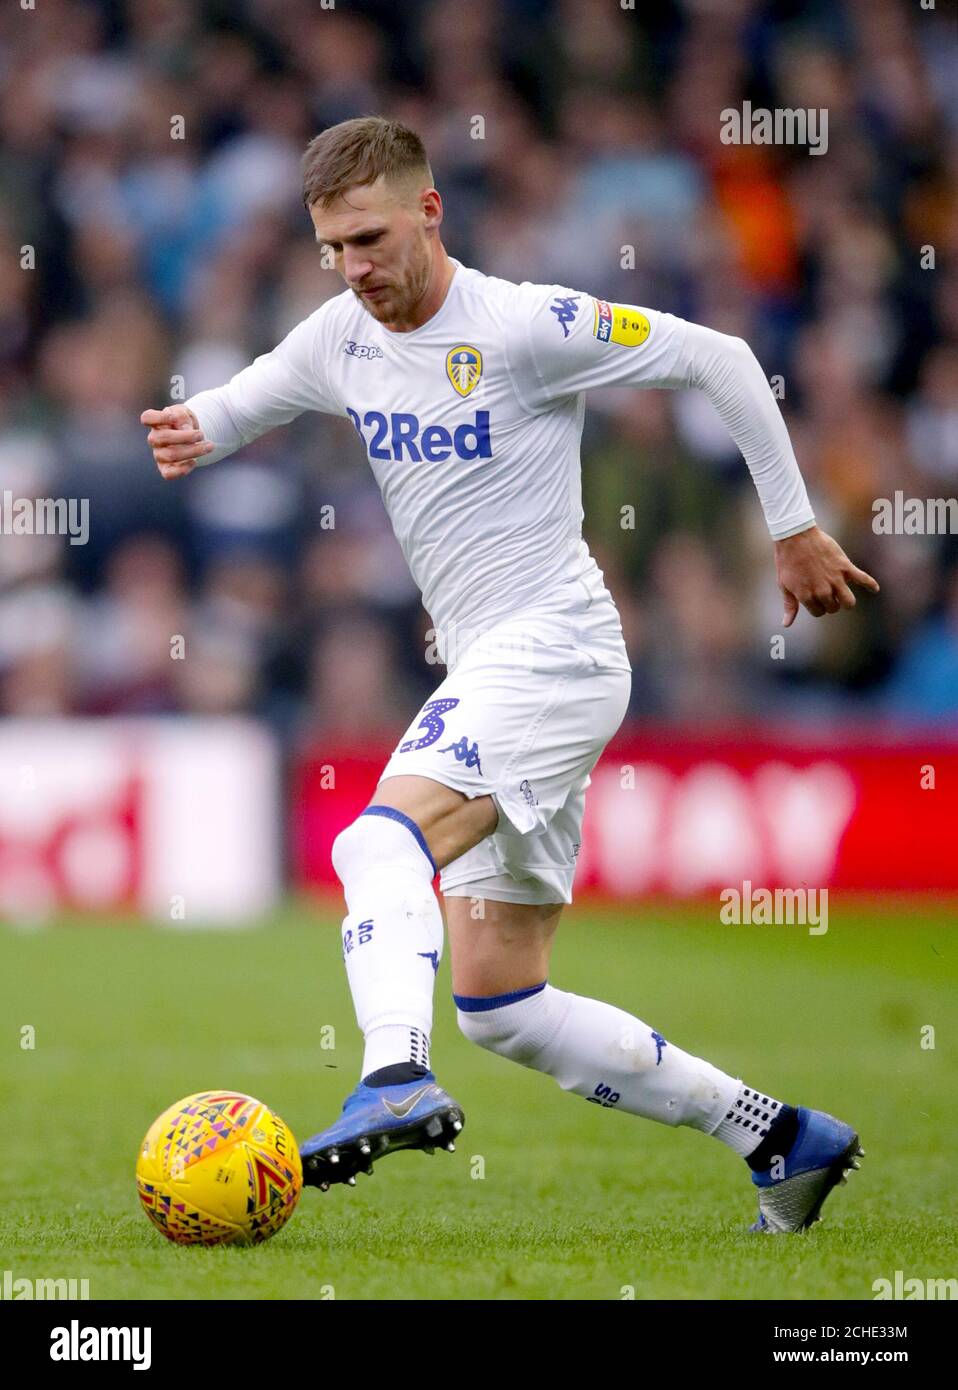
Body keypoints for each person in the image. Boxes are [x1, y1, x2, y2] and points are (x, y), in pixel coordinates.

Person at [141, 117, 876, 1232]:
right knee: (501, 1001)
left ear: (430, 211)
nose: (355, 269)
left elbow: (720, 359)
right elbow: (243, 402)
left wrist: (791, 528)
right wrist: (193, 424)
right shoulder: (340, 335)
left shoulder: (528, 325)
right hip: (500, 667)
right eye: (333, 247)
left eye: (373, 239)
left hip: (555, 647)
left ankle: (391, 1071)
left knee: (371, 841)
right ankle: (778, 1136)